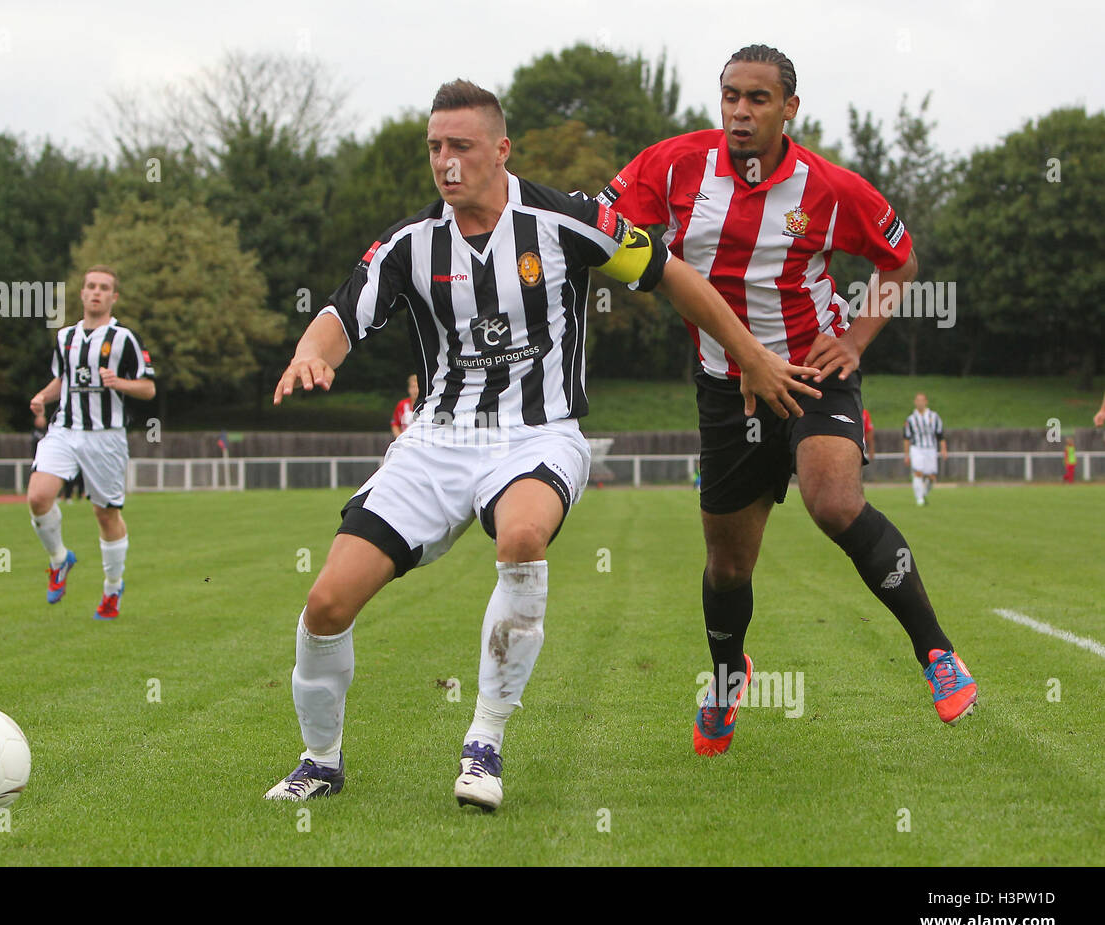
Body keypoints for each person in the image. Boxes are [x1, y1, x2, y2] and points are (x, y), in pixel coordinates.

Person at [263, 79, 818, 809]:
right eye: (435, 147)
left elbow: (672, 274)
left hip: (537, 435)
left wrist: (748, 354)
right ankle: (320, 760)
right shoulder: (411, 244)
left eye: (461, 146)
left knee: (522, 536)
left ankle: (484, 743)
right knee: (328, 602)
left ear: (501, 149)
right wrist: (314, 353)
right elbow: (342, 311)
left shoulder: (565, 220)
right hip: (435, 440)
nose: (446, 162)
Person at [599, 44, 977, 755]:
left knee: (833, 501)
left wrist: (857, 339)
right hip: (725, 389)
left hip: (811, 376)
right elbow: (608, 228)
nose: (741, 112)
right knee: (728, 566)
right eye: (731, 97)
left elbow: (902, 259)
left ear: (790, 109)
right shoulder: (674, 166)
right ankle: (724, 681)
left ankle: (937, 653)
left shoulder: (829, 189)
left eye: (759, 99)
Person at [26, 265, 156, 620]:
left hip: (106, 436)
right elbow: (62, 381)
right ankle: (58, 559)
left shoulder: (125, 339)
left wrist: (119, 383)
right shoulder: (64, 337)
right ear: (82, 294)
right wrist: (42, 397)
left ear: (113, 297)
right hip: (65, 429)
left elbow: (148, 387)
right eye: (90, 286)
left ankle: (113, 588)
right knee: (38, 496)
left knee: (105, 513)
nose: (96, 292)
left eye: (104, 288)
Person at [903, 392, 946, 505]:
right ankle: (919, 499)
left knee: (932, 477)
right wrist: (906, 455)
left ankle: (923, 493)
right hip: (916, 448)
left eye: (922, 400)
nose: (920, 402)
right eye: (918, 400)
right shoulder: (911, 419)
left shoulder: (934, 416)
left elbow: (940, 435)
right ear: (915, 402)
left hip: (931, 448)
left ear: (926, 401)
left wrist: (943, 449)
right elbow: (907, 438)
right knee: (918, 472)